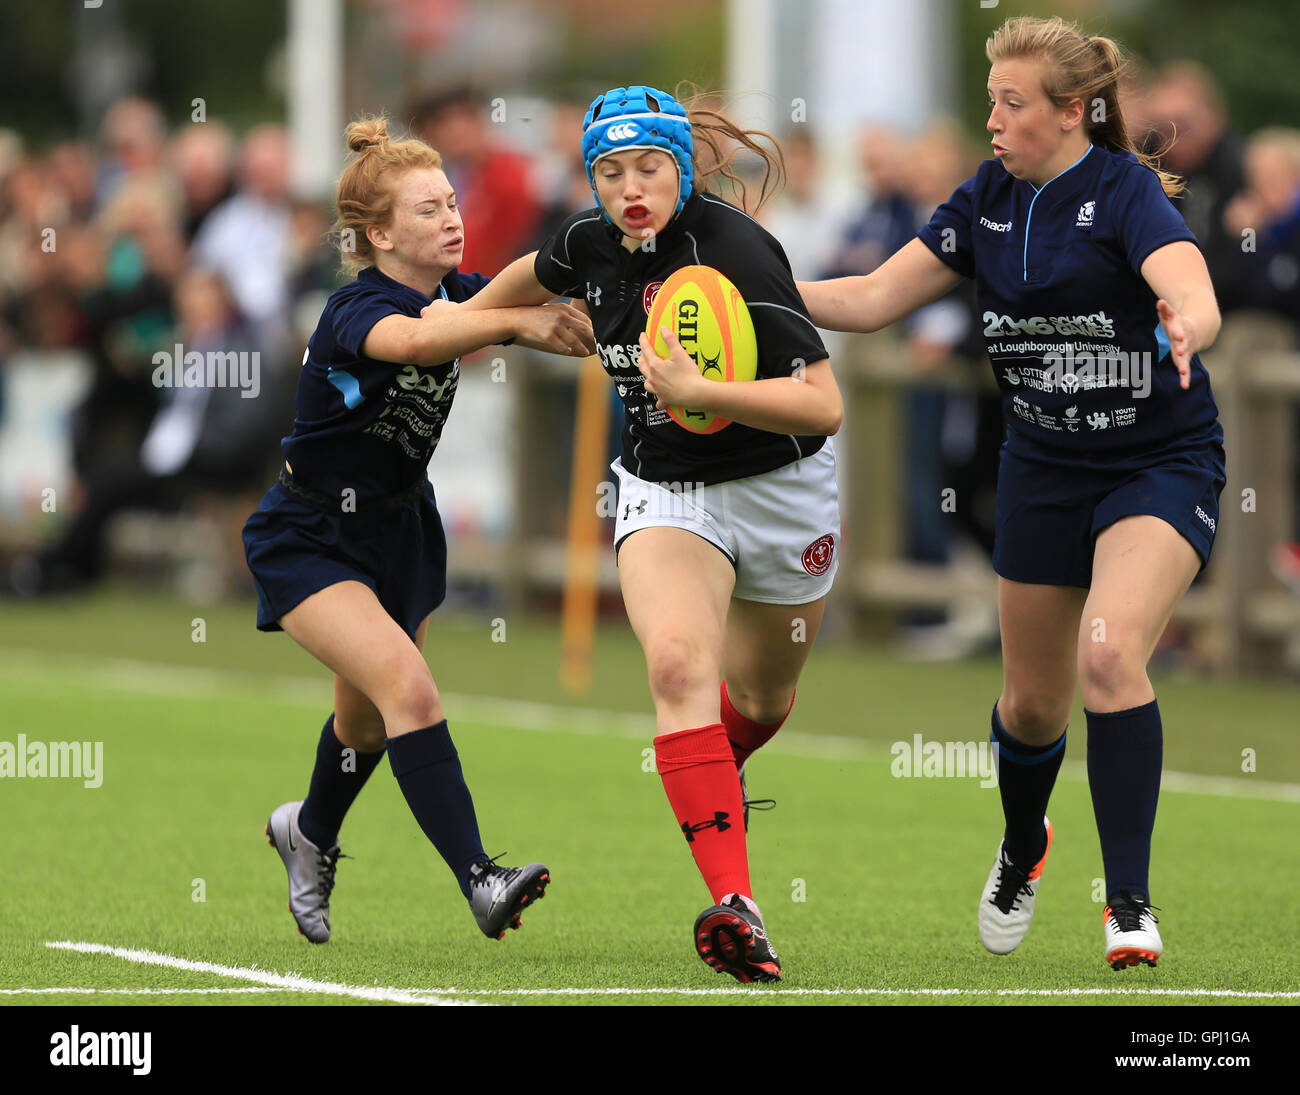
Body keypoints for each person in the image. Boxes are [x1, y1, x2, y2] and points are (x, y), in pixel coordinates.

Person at [798, 16, 1226, 970]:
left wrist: (1187, 322)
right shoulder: (984, 197)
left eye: (1013, 103)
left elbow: (1190, 283)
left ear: (1074, 112)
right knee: (1032, 707)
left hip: (1157, 464)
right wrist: (757, 284)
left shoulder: (1120, 190)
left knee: (1108, 659)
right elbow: (870, 298)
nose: (993, 119)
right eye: (990, 100)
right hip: (1040, 468)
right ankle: (1025, 845)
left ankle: (1128, 906)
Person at [452, 85, 843, 983]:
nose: (631, 187)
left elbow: (824, 405)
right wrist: (473, 322)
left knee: (767, 697)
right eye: (610, 171)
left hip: (783, 490)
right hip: (668, 490)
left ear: (683, 168)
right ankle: (738, 905)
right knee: (676, 669)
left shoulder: (740, 248)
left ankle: (716, 772)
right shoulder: (586, 242)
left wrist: (712, 394)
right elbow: (498, 293)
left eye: (650, 168)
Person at [242, 116, 594, 944]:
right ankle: (480, 877)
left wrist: (595, 262)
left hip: (399, 532)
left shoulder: (457, 293)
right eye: (429, 209)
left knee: (364, 723)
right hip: (311, 536)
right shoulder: (356, 307)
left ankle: (308, 832)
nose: (450, 218)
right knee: (410, 690)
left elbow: (519, 282)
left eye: (452, 202)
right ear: (380, 233)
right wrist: (515, 322)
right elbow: (415, 340)